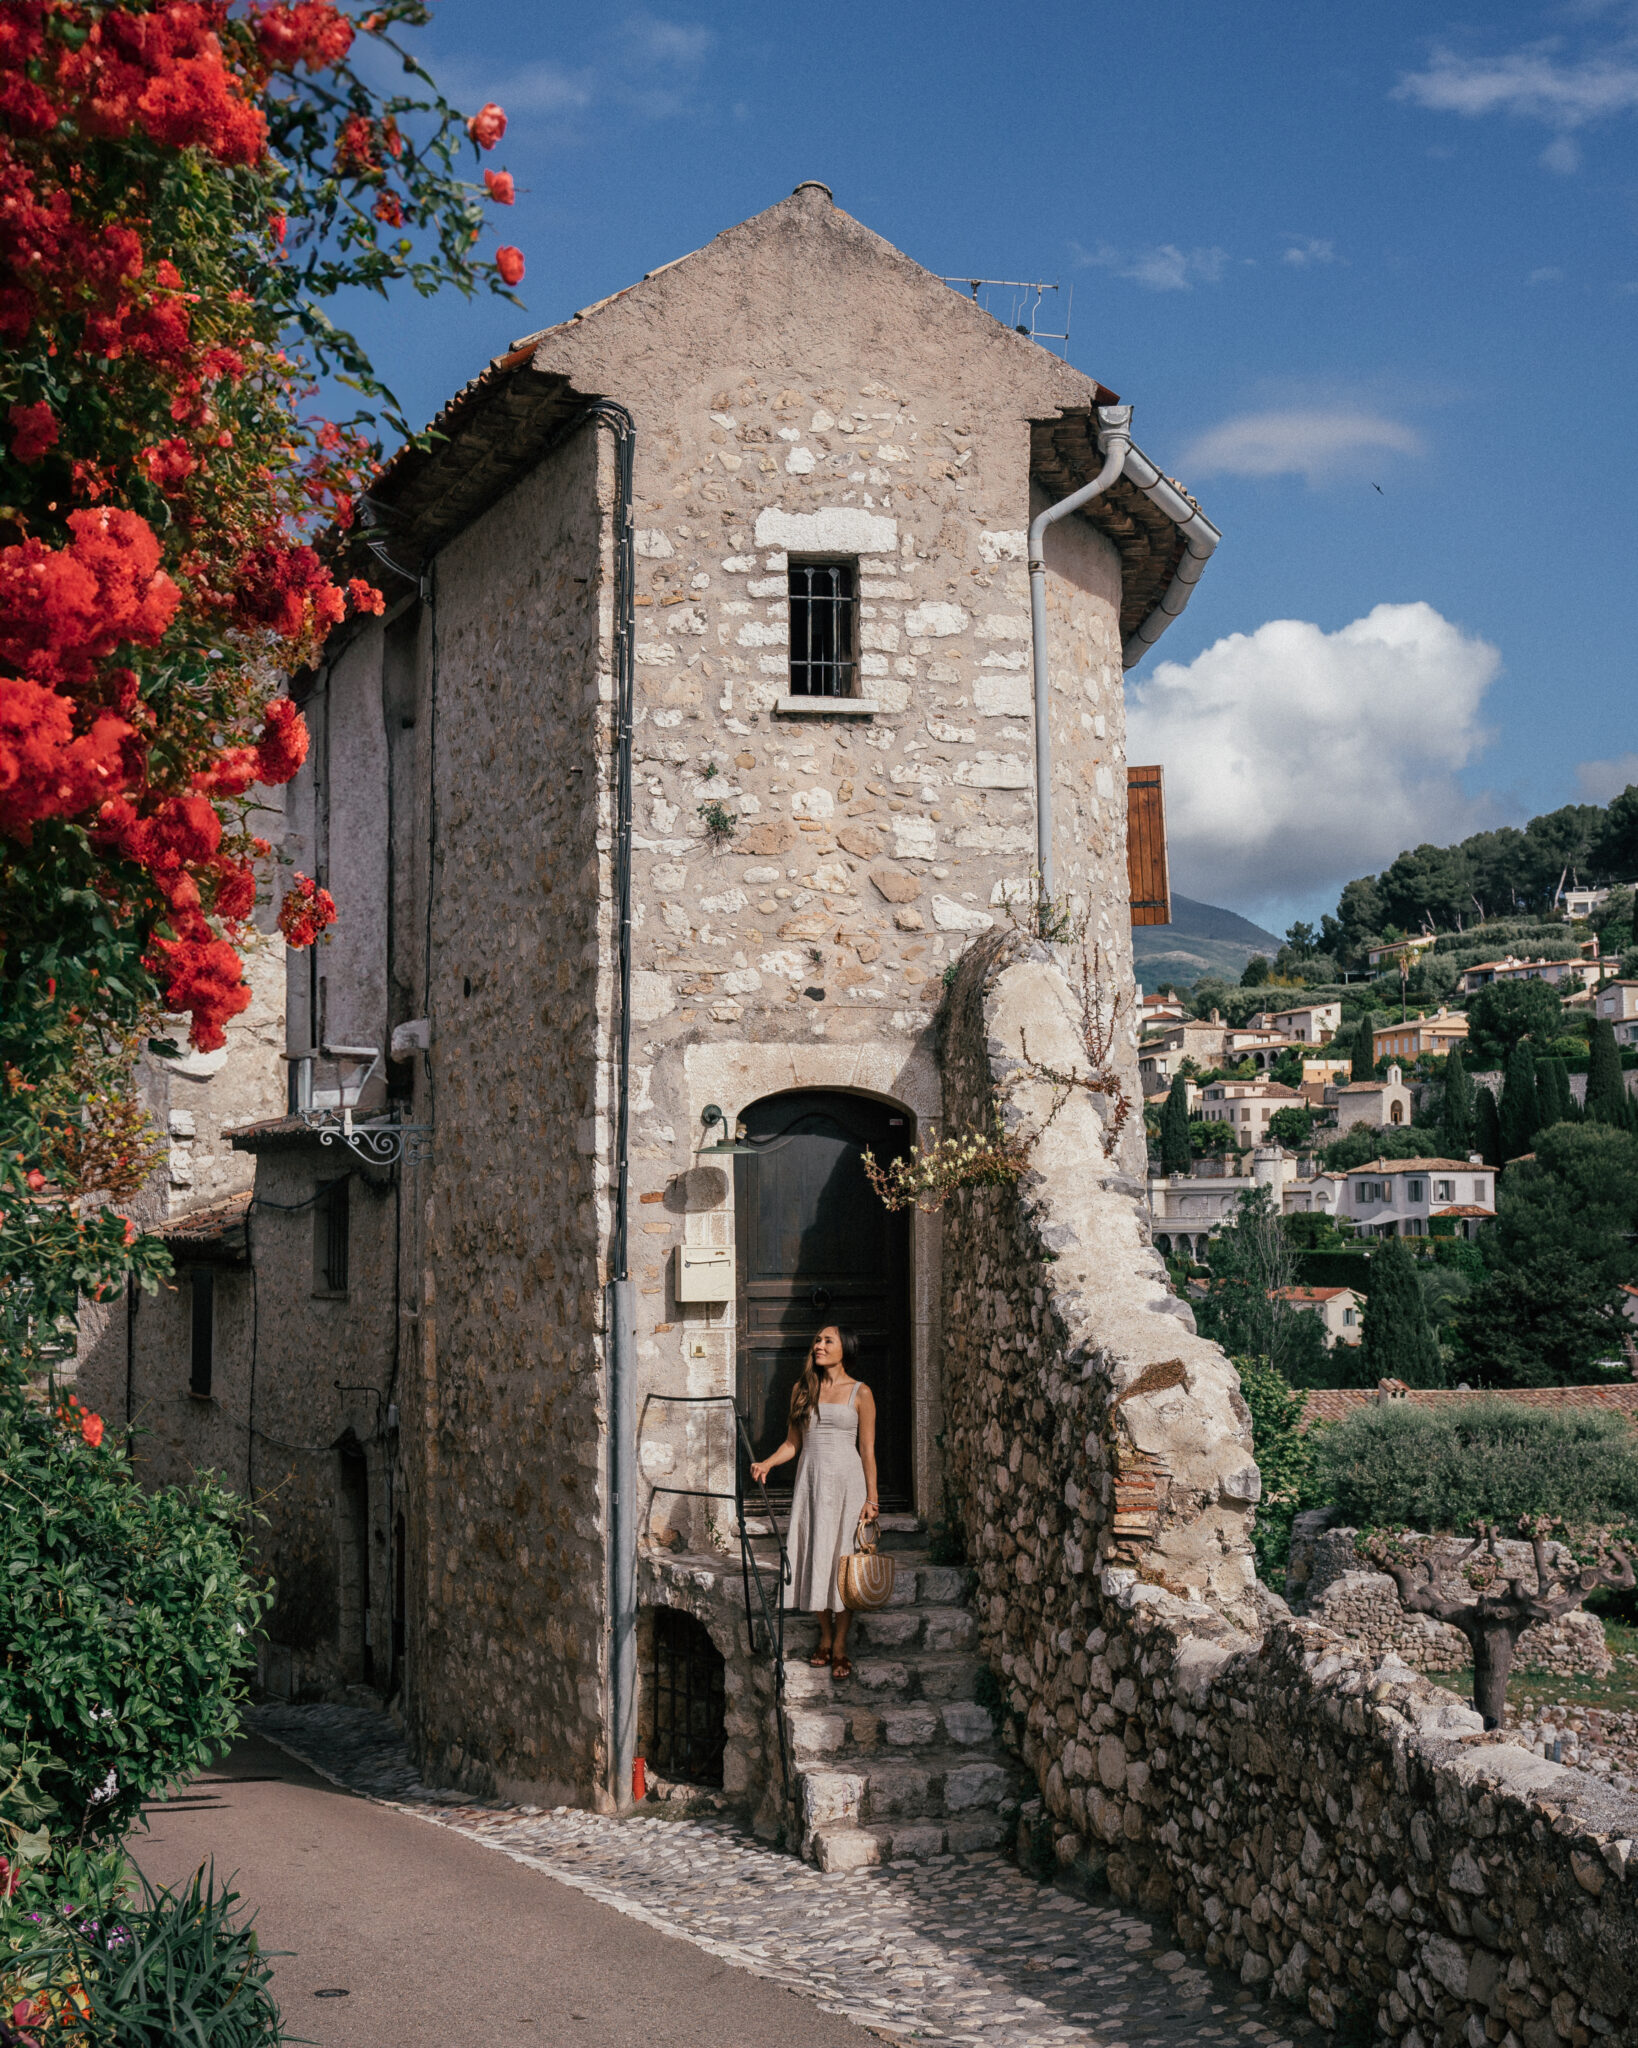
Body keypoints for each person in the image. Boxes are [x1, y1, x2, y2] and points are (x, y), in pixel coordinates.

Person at [750, 1324, 879, 1680]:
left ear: (844, 1349)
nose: (819, 1345)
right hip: (811, 1484)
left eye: (827, 1340)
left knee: (844, 1561)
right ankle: (824, 1634)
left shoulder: (861, 1392)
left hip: (848, 1485)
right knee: (815, 1554)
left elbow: (867, 1449)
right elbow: (793, 1443)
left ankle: (840, 1644)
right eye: (818, 1340)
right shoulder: (802, 1389)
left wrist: (872, 1498)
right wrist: (767, 1463)